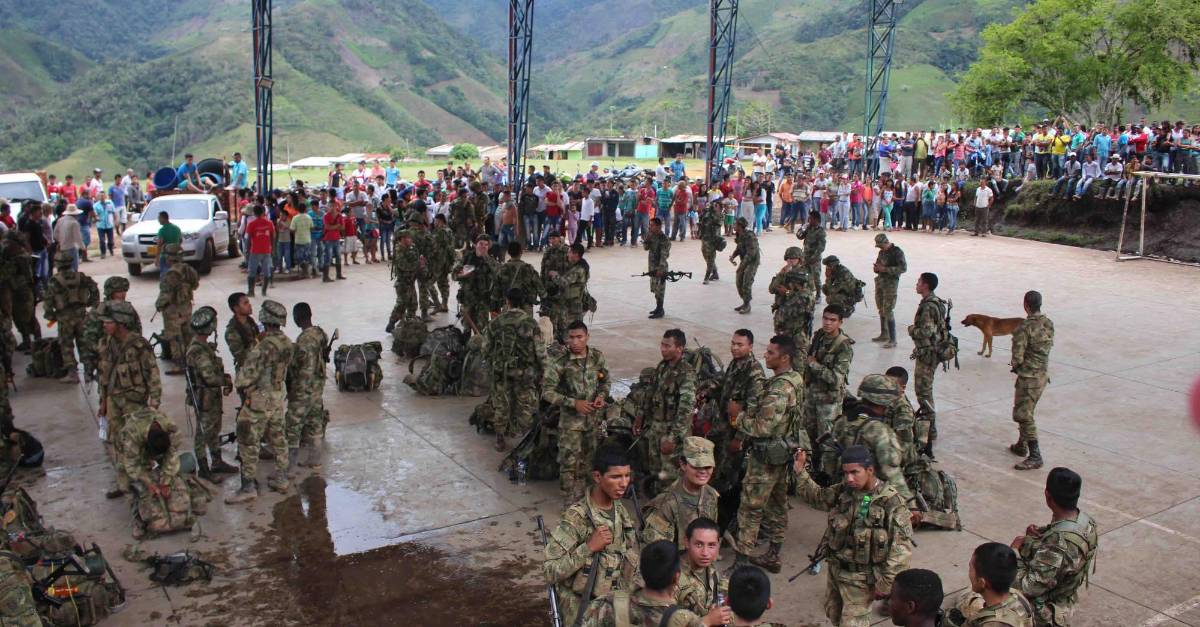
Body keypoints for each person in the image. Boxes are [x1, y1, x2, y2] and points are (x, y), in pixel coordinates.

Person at [792, 445, 915, 627]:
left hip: (861, 581)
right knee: (834, 615)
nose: (849, 478)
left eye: (855, 472)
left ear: (870, 470)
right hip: (836, 572)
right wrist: (800, 471)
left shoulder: (890, 502)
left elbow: (901, 552)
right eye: (845, 473)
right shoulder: (845, 491)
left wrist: (885, 587)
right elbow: (817, 496)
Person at [728, 335, 805, 574]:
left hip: (766, 456)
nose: (765, 355)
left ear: (784, 357)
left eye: (771, 353)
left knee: (750, 507)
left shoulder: (779, 388)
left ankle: (741, 561)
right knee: (778, 503)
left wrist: (736, 417)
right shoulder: (795, 379)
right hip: (784, 451)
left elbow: (763, 427)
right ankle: (773, 553)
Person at [544, 446, 641, 625]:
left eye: (627, 475)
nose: (624, 483)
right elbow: (550, 571)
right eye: (615, 477)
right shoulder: (577, 517)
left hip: (613, 604)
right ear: (597, 477)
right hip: (582, 609)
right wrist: (588, 548)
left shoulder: (619, 509)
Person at [227, 300, 294, 503]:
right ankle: (282, 478)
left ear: (266, 319)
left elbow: (244, 379)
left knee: (248, 441)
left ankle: (248, 487)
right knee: (278, 438)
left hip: (259, 400)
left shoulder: (263, 347)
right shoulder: (287, 342)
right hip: (276, 396)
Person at [1010, 467, 1096, 626]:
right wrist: (1042, 534)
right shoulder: (1086, 522)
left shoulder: (1058, 542)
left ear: (1047, 495)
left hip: (1047, 610)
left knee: (979, 596)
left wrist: (1013, 553)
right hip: (1065, 594)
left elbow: (1029, 588)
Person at [580, 539, 731, 627]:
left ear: (642, 571)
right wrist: (707, 621)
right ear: (676, 577)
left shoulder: (608, 603)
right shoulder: (684, 619)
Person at [98, 301, 161, 499]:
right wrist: (103, 402)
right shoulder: (107, 344)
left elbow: (153, 374)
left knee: (139, 442)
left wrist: (154, 403)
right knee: (117, 441)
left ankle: (145, 480)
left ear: (121, 323)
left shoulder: (139, 345)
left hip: (134, 402)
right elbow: (104, 376)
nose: (104, 326)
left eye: (108, 322)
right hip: (114, 401)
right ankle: (124, 482)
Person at [542, 320, 610, 502]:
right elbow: (547, 392)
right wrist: (573, 403)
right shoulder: (560, 362)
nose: (575, 342)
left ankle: (590, 497)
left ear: (587, 337)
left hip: (592, 421)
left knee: (590, 461)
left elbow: (605, 380)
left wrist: (601, 396)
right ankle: (569, 501)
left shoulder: (596, 357)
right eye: (571, 337)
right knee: (569, 463)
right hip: (571, 423)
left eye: (579, 337)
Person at [827, 375, 914, 504]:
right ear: (884, 401)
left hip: (844, 489)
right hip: (869, 496)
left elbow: (829, 456)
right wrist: (911, 504)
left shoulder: (844, 420)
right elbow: (891, 471)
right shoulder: (879, 430)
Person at [119, 407, 202, 539]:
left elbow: (171, 456)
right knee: (128, 483)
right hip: (132, 452)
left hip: (155, 443)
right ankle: (138, 520)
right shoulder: (131, 435)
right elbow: (132, 466)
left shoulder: (170, 428)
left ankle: (184, 508)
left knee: (175, 473)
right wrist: (149, 483)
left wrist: (165, 482)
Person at [482, 288, 546, 452]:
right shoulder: (531, 323)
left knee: (502, 405)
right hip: (524, 373)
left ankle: (500, 439)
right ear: (523, 303)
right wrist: (544, 371)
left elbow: (485, 349)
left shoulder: (496, 322)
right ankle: (521, 434)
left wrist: (493, 364)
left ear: (507, 301)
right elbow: (540, 351)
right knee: (525, 404)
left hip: (501, 372)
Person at [636, 329, 697, 496]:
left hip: (672, 433)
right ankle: (657, 506)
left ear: (679, 348)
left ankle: (670, 510)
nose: (663, 349)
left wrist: (672, 437)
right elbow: (651, 393)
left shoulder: (686, 373)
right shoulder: (662, 366)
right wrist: (640, 416)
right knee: (656, 472)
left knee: (670, 475)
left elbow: (686, 410)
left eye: (667, 346)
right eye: (662, 345)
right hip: (656, 430)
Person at [710, 329, 765, 510]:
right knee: (718, 466)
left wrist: (739, 439)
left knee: (730, 472)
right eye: (733, 343)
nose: (734, 348)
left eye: (739, 345)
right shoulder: (735, 364)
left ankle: (726, 508)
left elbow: (752, 409)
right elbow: (726, 386)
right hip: (725, 426)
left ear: (750, 347)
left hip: (737, 432)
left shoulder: (754, 373)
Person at [802, 305, 854, 483]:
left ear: (840, 322)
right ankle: (812, 472)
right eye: (825, 318)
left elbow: (836, 379)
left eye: (832, 320)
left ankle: (828, 478)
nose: (827, 323)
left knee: (827, 442)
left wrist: (814, 365)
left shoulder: (843, 346)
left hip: (829, 402)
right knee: (808, 437)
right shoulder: (819, 336)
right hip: (811, 397)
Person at [184, 306, 236, 481]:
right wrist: (225, 381)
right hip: (204, 397)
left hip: (211, 397)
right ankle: (204, 470)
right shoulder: (198, 350)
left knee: (213, 430)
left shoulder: (202, 346)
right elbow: (210, 378)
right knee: (203, 433)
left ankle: (217, 461)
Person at [642, 437, 720, 550]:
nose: (703, 471)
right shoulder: (666, 504)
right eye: (696, 466)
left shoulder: (711, 494)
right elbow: (657, 551)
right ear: (683, 464)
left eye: (707, 466)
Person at [1009, 290, 1054, 471]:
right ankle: (1022, 445)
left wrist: (1018, 366)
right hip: (1042, 376)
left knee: (1023, 415)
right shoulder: (1048, 323)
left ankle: (1035, 455)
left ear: (1026, 305)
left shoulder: (1024, 327)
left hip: (1028, 378)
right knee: (1028, 410)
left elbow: (1017, 357)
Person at [285, 302, 330, 472]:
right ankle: (315, 460)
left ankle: (288, 469)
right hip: (317, 387)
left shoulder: (303, 340)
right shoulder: (320, 333)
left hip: (303, 389)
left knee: (292, 427)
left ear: (297, 319)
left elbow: (300, 366)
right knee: (315, 423)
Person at [43, 249, 99, 383]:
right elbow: (94, 289)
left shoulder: (54, 281)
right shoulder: (81, 277)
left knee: (66, 344)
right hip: (81, 315)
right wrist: (91, 303)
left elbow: (48, 300)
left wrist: (51, 316)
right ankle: (88, 372)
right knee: (84, 343)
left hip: (64, 317)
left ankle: (72, 373)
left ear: (57, 264)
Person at [949, 543, 1034, 627]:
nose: (969, 573)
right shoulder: (1019, 598)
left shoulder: (990, 623)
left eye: (970, 568)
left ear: (982, 583)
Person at [908, 271, 949, 440]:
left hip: (928, 354)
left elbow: (927, 331)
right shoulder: (937, 302)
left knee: (923, 392)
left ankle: (930, 429)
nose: (917, 284)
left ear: (925, 285)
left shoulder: (928, 306)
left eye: (919, 281)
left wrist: (911, 330)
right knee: (924, 391)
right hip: (933, 351)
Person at [79, 276, 139, 383]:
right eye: (119, 291)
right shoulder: (99, 311)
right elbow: (89, 339)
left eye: (124, 291)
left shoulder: (128, 309)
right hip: (105, 359)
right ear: (110, 292)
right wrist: (90, 365)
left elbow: (136, 331)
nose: (123, 294)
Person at [155, 243, 200, 375]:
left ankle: (179, 364)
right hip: (186, 307)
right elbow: (195, 284)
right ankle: (192, 360)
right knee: (188, 335)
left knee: (175, 337)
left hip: (173, 310)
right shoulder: (188, 269)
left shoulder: (171, 274)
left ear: (169, 258)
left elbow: (166, 294)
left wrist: (159, 304)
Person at [675, 517, 727, 617]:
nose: (705, 553)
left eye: (711, 545)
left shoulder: (710, 569)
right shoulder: (673, 577)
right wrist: (708, 620)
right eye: (699, 545)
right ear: (686, 542)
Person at [767, 248, 813, 357]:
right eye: (788, 258)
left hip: (797, 319)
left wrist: (787, 292)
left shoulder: (804, 275)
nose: (790, 261)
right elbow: (772, 289)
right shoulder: (785, 273)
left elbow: (806, 299)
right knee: (783, 350)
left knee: (798, 353)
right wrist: (781, 274)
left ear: (799, 259)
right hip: (782, 318)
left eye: (793, 258)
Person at [453, 235, 499, 336]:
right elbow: (454, 275)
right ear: (475, 245)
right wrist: (462, 275)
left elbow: (497, 275)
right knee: (466, 329)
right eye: (481, 244)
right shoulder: (467, 258)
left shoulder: (491, 261)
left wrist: (486, 258)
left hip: (483, 301)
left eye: (486, 245)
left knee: (481, 330)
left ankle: (479, 350)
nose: (483, 247)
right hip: (467, 299)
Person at [549, 243, 593, 342]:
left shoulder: (578, 270)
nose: (567, 254)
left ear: (576, 254)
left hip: (572, 306)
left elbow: (563, 282)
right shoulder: (581, 265)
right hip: (573, 303)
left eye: (569, 252)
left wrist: (554, 275)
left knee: (570, 332)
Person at [872, 233, 907, 348]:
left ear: (885, 242)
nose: (880, 248)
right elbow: (879, 264)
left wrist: (885, 269)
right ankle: (884, 333)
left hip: (890, 285)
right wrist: (877, 269)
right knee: (881, 308)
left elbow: (903, 268)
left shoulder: (897, 252)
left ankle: (893, 339)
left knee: (888, 309)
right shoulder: (882, 252)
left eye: (881, 245)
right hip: (880, 282)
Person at [492, 242, 543, 317]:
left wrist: (494, 307)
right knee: (527, 327)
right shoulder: (528, 269)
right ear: (521, 252)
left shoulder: (502, 269)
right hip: (526, 307)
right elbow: (540, 288)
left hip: (508, 306)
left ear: (508, 253)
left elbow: (495, 292)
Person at [385, 230, 420, 333]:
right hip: (403, 284)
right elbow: (404, 266)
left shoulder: (409, 249)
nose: (411, 240)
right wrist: (417, 265)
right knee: (401, 306)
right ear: (403, 239)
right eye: (409, 238)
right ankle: (391, 324)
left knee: (413, 304)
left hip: (410, 282)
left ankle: (409, 325)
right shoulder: (399, 251)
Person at [729, 217, 760, 314]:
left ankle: (747, 305)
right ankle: (745, 302)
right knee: (739, 281)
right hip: (745, 260)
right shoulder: (740, 235)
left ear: (740, 226)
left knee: (746, 281)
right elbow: (739, 248)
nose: (734, 226)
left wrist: (742, 266)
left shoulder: (750, 236)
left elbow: (751, 253)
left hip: (752, 261)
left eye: (735, 224)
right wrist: (733, 256)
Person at [224, 291, 258, 376]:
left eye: (249, 302)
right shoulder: (232, 331)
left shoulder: (250, 321)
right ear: (236, 308)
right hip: (246, 373)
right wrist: (258, 340)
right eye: (245, 303)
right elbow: (241, 358)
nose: (249, 305)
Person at [245, 204, 275, 295]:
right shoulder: (269, 223)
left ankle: (251, 291)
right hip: (266, 250)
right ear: (263, 212)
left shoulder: (251, 224)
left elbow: (249, 239)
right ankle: (264, 291)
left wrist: (247, 250)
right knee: (266, 271)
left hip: (255, 251)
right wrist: (272, 248)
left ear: (254, 213)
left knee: (252, 271)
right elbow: (273, 236)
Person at [644, 217, 671, 319]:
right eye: (650, 225)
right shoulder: (652, 236)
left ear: (658, 226)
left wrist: (661, 269)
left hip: (660, 268)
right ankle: (658, 308)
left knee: (660, 289)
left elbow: (664, 255)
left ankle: (660, 310)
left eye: (652, 225)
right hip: (652, 267)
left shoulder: (664, 239)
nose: (650, 227)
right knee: (655, 288)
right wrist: (648, 238)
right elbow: (645, 248)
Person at [428, 214, 455, 310]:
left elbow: (433, 247)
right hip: (446, 262)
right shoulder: (449, 231)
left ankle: (437, 303)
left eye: (435, 221)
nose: (434, 222)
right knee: (443, 283)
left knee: (428, 282)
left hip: (437, 263)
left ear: (440, 221)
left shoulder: (440, 232)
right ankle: (444, 304)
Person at [698, 188, 724, 284]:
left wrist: (713, 213)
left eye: (716, 205)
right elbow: (702, 220)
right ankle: (715, 272)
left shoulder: (720, 215)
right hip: (705, 238)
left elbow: (718, 223)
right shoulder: (708, 213)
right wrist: (704, 212)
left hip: (714, 239)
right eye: (714, 205)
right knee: (705, 255)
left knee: (710, 258)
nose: (714, 207)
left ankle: (706, 277)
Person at [800, 211, 826, 301]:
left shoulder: (821, 232)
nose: (809, 220)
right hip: (805, 257)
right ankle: (807, 293)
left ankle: (818, 295)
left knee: (816, 277)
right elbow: (799, 237)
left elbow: (821, 248)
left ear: (816, 220)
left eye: (810, 218)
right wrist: (802, 228)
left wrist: (813, 258)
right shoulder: (808, 228)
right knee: (805, 276)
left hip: (815, 259)